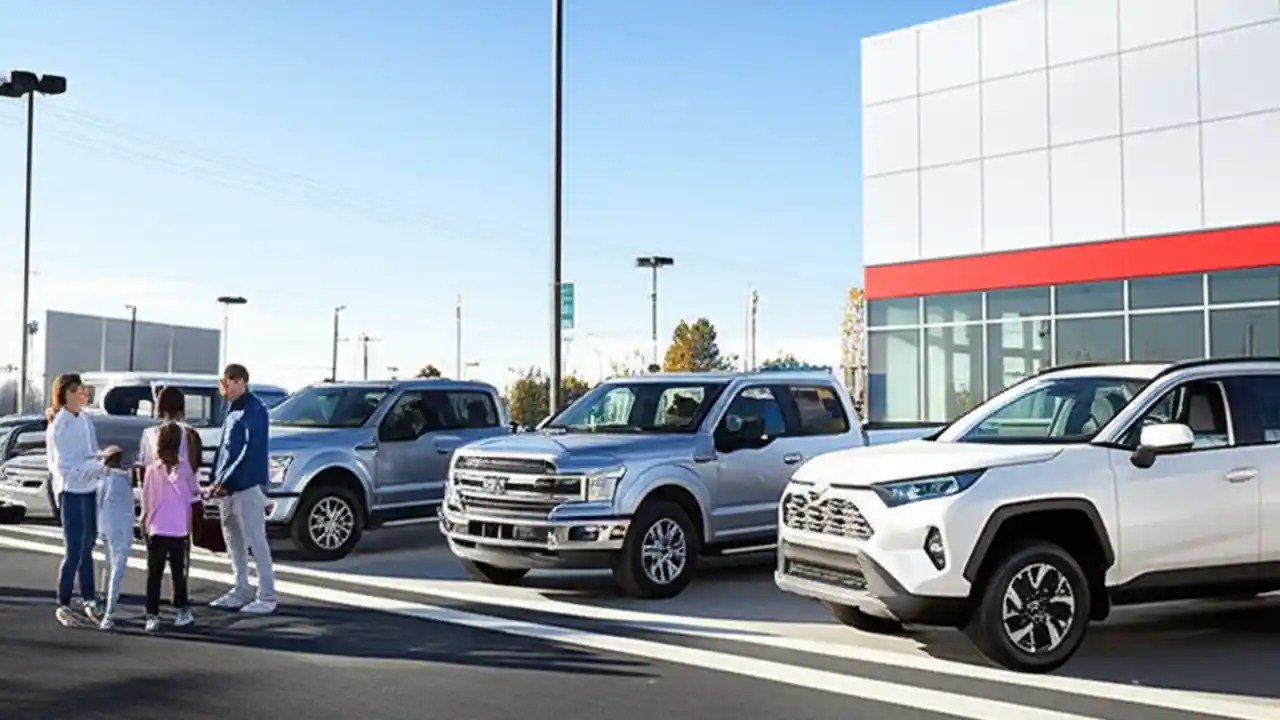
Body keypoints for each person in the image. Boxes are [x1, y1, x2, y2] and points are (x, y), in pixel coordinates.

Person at [45, 372, 117, 627]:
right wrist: (99, 466)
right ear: (65, 394)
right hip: (70, 491)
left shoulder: (85, 419)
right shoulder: (59, 425)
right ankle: (63, 603)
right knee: (74, 548)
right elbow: (65, 467)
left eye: (84, 390)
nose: (84, 395)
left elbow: (88, 454)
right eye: (78, 391)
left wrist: (102, 458)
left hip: (88, 489)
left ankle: (89, 599)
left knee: (88, 546)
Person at [209, 363, 277, 614]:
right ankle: (240, 588)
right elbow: (224, 449)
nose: (223, 388)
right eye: (222, 383)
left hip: (247, 485)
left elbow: (249, 449)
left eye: (227, 382)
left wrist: (224, 479)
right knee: (233, 539)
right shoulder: (232, 410)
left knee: (256, 539)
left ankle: (267, 596)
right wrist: (216, 480)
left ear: (241, 381)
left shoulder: (255, 410)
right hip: (228, 488)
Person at [140, 422, 200, 633]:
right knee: (178, 572)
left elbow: (147, 500)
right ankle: (182, 611)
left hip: (157, 527)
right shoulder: (184, 468)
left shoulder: (152, 470)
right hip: (179, 529)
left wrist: (143, 522)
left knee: (154, 574)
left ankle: (152, 615)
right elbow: (194, 492)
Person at [95, 446, 133, 631]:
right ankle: (109, 612)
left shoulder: (104, 479)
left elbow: (97, 504)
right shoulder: (121, 479)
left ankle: (103, 604)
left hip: (106, 527)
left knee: (108, 567)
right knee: (116, 570)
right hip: (121, 529)